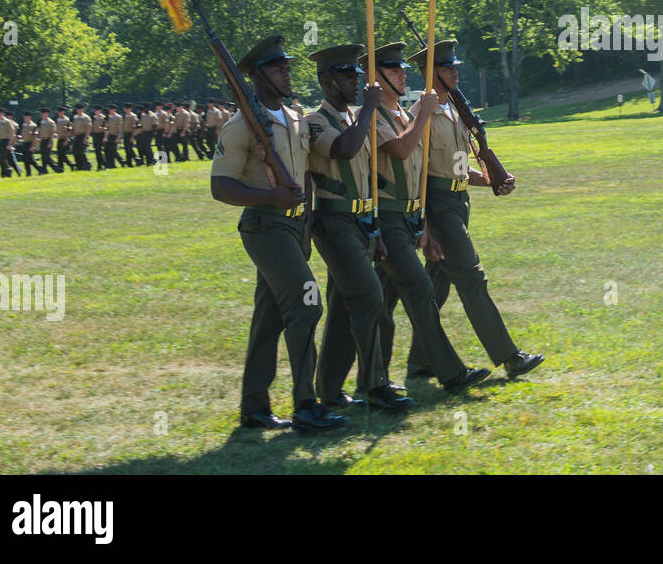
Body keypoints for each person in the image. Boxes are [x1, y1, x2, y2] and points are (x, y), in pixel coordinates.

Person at [209, 36, 346, 434]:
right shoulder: (240, 127)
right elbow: (221, 187)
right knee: (307, 303)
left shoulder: (297, 117)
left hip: (297, 226)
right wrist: (272, 195)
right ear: (255, 76)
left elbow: (308, 168)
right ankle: (306, 405)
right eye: (277, 68)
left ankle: (254, 407)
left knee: (270, 317)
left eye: (287, 67)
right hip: (265, 225)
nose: (287, 74)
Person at [405, 39, 544, 381]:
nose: (455, 72)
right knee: (471, 277)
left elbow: (457, 166)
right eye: (448, 67)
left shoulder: (453, 110)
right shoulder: (421, 115)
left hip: (459, 200)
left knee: (439, 283)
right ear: (429, 73)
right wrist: (425, 224)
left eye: (455, 67)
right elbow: (416, 172)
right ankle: (509, 356)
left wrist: (493, 179)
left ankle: (420, 361)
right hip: (437, 205)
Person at [369, 41, 491, 392]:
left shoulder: (406, 116)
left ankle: (381, 376)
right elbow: (402, 151)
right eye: (393, 70)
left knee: (384, 298)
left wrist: (423, 225)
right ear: (376, 79)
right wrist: (423, 112)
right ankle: (448, 372)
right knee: (410, 292)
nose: (402, 73)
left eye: (401, 68)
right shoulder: (397, 116)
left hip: (410, 218)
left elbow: (423, 173)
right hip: (386, 218)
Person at [305, 44, 413, 414]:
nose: (356, 81)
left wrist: (377, 228)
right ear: (325, 80)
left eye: (356, 74)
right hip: (334, 221)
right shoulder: (314, 120)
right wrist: (368, 106)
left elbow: (368, 177)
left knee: (342, 307)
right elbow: (345, 151)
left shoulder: (358, 117)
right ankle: (374, 383)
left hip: (365, 221)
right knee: (369, 296)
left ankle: (330, 387)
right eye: (346, 75)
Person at [0, 110, 16, 178]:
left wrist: (9, 143)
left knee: (3, 158)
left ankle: (7, 170)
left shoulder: (7, 122)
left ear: (2, 114)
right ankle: (4, 173)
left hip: (5, 141)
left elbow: (12, 132)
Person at [19, 111, 44, 176]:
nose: (24, 117)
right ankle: (28, 173)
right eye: (24, 116)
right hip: (24, 143)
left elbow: (34, 137)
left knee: (30, 159)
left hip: (30, 143)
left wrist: (33, 146)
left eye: (26, 116)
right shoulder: (24, 124)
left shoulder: (33, 125)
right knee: (25, 159)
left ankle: (40, 169)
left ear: (29, 117)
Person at [37, 108, 59, 174]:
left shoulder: (51, 122)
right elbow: (39, 130)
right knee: (43, 156)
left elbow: (52, 133)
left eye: (43, 113)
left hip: (48, 140)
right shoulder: (41, 121)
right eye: (41, 113)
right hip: (42, 140)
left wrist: (50, 142)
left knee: (46, 156)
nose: (42, 114)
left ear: (47, 114)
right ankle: (44, 170)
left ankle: (56, 167)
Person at [71, 105, 92, 171]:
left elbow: (88, 128)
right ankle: (79, 166)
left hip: (83, 136)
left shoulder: (86, 117)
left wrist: (86, 138)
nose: (78, 110)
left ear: (83, 109)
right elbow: (73, 127)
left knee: (81, 152)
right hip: (76, 136)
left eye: (79, 109)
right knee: (75, 151)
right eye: (77, 109)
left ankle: (87, 165)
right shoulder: (75, 117)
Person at [54, 108, 72, 173]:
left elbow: (70, 129)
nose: (59, 113)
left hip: (65, 139)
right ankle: (61, 168)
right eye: (58, 112)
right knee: (59, 154)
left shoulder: (67, 120)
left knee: (62, 154)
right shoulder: (57, 119)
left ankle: (70, 164)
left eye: (60, 112)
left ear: (63, 112)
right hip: (59, 138)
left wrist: (67, 140)